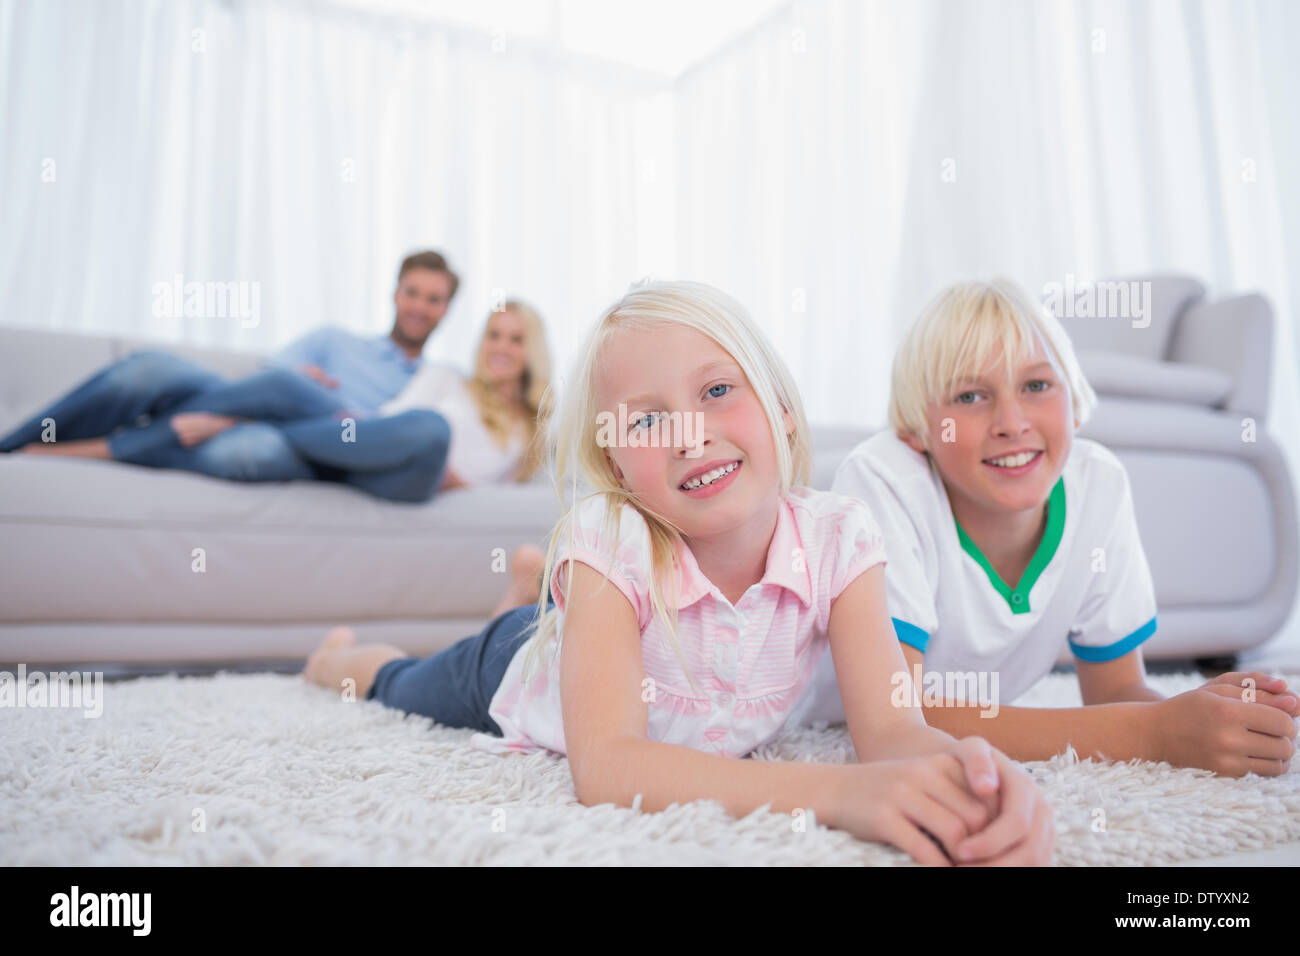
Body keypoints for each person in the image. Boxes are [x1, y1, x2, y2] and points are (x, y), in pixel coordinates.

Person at [303, 279, 1055, 865]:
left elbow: (891, 727)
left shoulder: (842, 533)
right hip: (512, 668)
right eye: (648, 419)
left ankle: (529, 589)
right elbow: (607, 769)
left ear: (783, 411)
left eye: (718, 391)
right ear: (618, 466)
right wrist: (837, 794)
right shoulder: (611, 534)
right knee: (402, 684)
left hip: (597, 633)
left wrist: (979, 778)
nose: (691, 435)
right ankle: (347, 653)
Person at [817, 278, 1298, 777]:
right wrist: (1151, 732)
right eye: (970, 396)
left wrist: (1197, 720)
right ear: (917, 431)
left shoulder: (1098, 482)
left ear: (1073, 397)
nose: (1012, 421)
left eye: (1036, 386)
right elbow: (901, 716)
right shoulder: (883, 481)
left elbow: (1114, 693)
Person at [0, 252, 459, 501]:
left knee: (252, 449)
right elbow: (266, 385)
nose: (420, 306)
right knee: (148, 369)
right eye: (413, 292)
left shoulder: (439, 380)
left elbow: (409, 441)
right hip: (265, 410)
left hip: (330, 450)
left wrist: (229, 421)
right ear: (395, 293)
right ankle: (13, 445)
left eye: (434, 299)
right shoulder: (334, 341)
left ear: (447, 309)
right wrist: (256, 404)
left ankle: (96, 450)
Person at [380, 298, 553, 490]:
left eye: (516, 340)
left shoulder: (531, 431)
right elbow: (388, 423)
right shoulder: (445, 377)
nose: (501, 348)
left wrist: (451, 479)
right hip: (393, 462)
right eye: (494, 336)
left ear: (533, 351)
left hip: (425, 486)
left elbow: (499, 498)